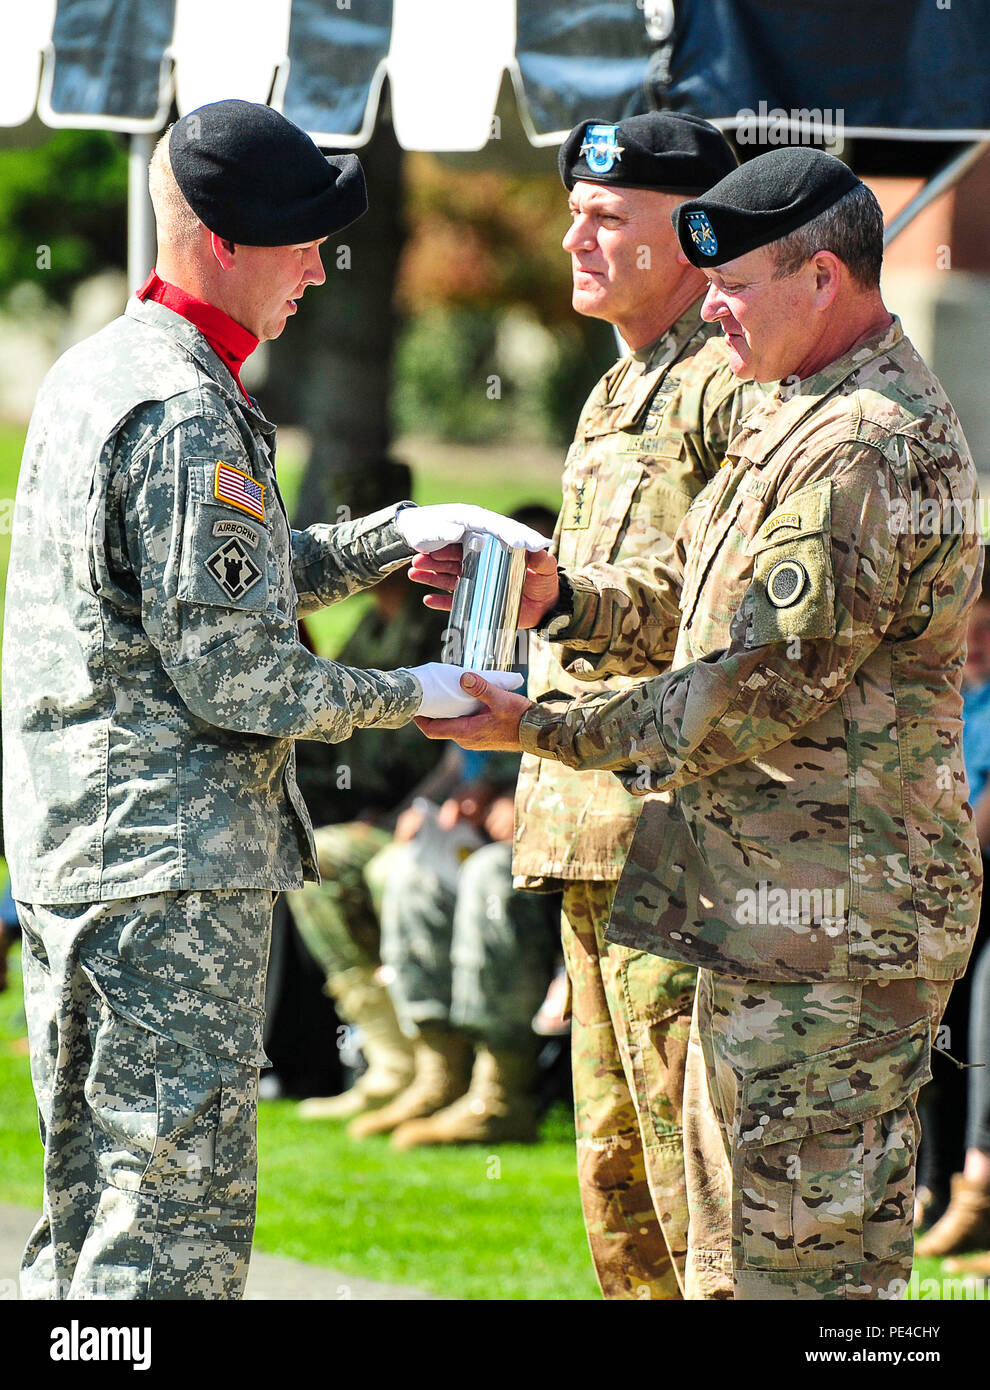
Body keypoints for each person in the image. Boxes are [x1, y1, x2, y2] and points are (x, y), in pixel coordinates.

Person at [412, 146, 983, 1300]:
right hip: (774, 912)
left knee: (798, 1283)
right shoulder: (797, 411)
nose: (708, 306)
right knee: (733, 1266)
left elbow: (749, 687)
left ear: (823, 279)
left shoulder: (860, 443)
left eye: (733, 284)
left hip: (831, 925)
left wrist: (541, 728)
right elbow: (700, 609)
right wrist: (560, 602)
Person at [1, 97, 540, 1301]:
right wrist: (414, 687)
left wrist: (395, 538)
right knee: (164, 1239)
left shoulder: (110, 370)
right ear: (225, 240)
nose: (316, 266)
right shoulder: (189, 408)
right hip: (168, 880)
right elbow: (239, 673)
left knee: (89, 1219)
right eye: (300, 239)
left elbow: (206, 589)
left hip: (91, 855)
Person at [509, 112, 756, 1300]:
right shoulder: (621, 386)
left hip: (681, 841)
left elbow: (723, 619)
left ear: (695, 234)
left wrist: (562, 600)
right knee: (619, 1198)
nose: (576, 238)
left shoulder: (730, 387)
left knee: (698, 1190)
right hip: (590, 828)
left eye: (608, 217)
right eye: (576, 213)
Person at [347, 748, 560, 1148]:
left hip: (559, 835)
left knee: (491, 876)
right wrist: (471, 796)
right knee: (413, 877)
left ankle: (500, 1096)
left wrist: (532, 802)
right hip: (490, 825)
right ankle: (440, 1079)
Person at [914, 573, 990, 1257]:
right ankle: (929, 1184)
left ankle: (976, 1186)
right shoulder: (934, 698)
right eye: (968, 627)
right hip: (943, 887)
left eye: (988, 630)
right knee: (928, 1023)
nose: (975, 642)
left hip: (973, 880)